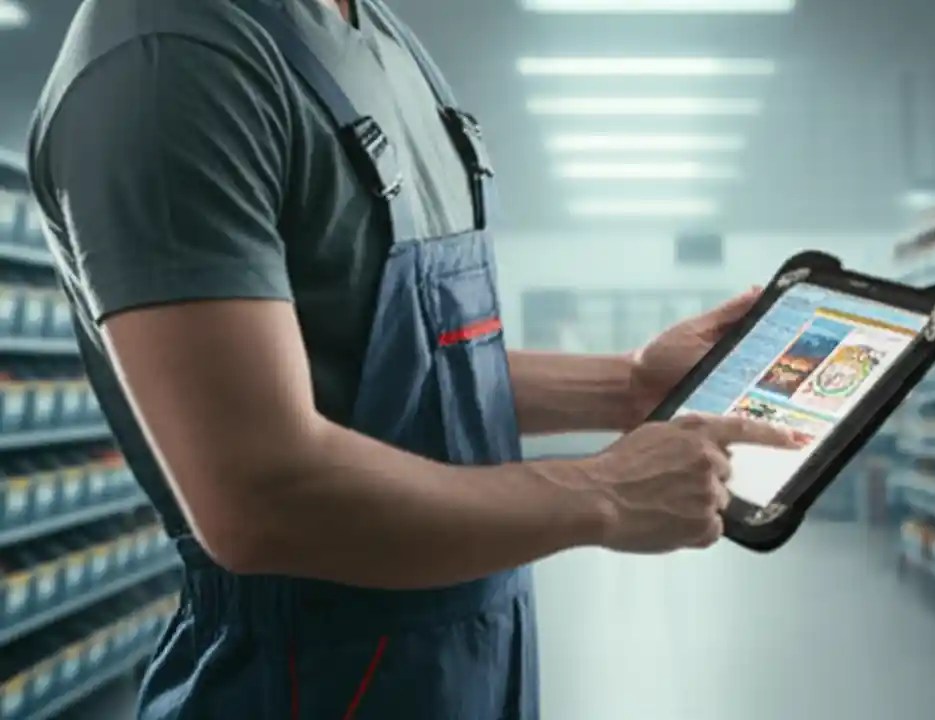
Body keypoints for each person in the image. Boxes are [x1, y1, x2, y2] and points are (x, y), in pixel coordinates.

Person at [27, 0, 801, 717]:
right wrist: (602, 494)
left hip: (465, 658)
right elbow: (260, 496)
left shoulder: (373, 37)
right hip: (308, 679)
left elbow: (401, 367)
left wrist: (625, 387)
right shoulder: (168, 63)